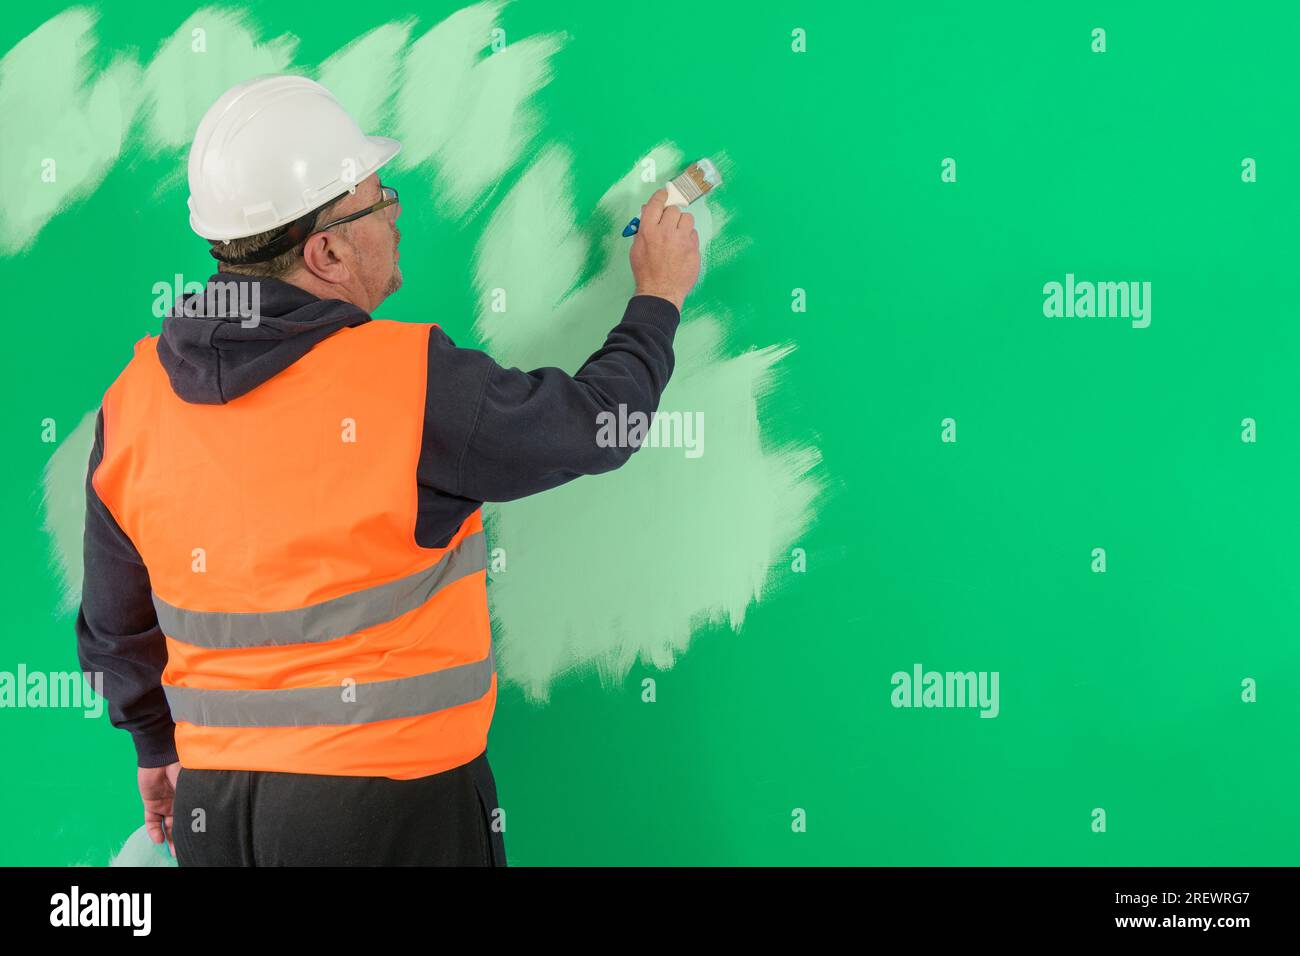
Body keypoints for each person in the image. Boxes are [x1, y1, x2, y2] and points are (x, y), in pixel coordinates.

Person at [75, 74, 700, 866]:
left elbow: (113, 620)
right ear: (325, 250)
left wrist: (152, 741)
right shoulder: (407, 383)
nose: (397, 213)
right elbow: (595, 428)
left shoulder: (136, 402)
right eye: (378, 201)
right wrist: (659, 298)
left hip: (217, 814)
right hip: (389, 810)